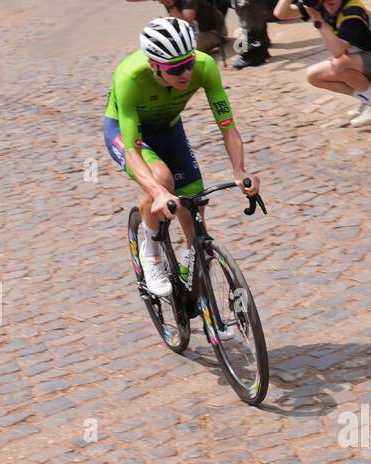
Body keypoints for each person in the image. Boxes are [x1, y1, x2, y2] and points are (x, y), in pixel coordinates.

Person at [103, 17, 260, 299]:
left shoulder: (204, 66)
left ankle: (196, 291)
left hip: (168, 127)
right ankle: (151, 255)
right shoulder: (129, 77)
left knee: (195, 209)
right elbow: (132, 149)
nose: (185, 72)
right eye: (175, 68)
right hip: (127, 131)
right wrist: (158, 193)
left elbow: (228, 126)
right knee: (161, 179)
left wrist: (240, 170)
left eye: (188, 62)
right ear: (153, 66)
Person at [272, 0, 371, 128]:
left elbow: (337, 51)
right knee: (314, 76)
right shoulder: (319, 5)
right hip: (366, 60)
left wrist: (318, 20)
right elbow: (281, 14)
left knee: (340, 64)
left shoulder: (352, 12)